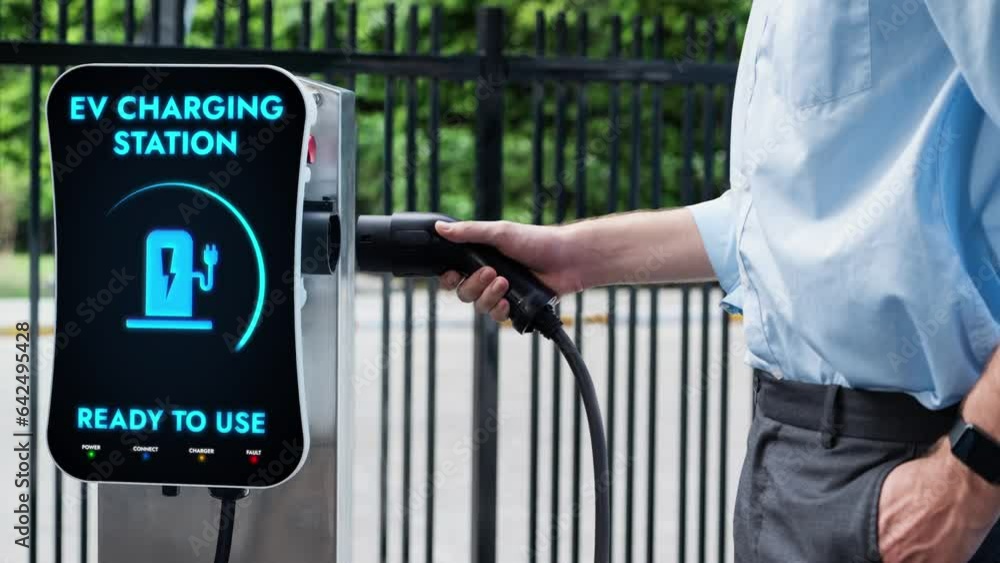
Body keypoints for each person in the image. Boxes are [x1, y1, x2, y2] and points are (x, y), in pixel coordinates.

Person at [435, 2, 1000, 562]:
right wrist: (571, 256)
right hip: (789, 451)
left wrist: (968, 485)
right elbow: (768, 223)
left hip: (923, 459)